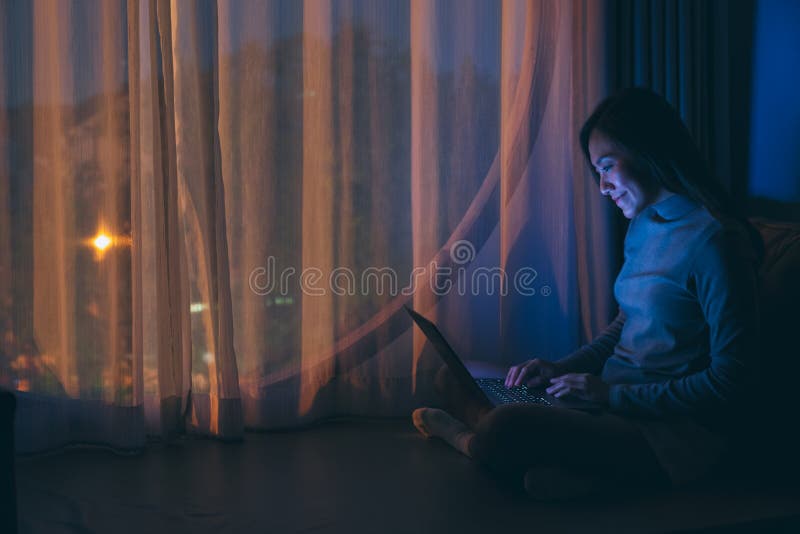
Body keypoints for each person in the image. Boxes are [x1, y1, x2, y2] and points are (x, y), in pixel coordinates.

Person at [411, 87, 763, 500]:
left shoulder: (715, 243)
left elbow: (729, 381)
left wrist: (613, 395)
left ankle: (469, 441)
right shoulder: (645, 224)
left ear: (648, 151)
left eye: (608, 167)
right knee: (453, 374)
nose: (602, 187)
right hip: (605, 404)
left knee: (507, 427)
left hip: (668, 432)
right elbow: (625, 325)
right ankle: (566, 467)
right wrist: (559, 368)